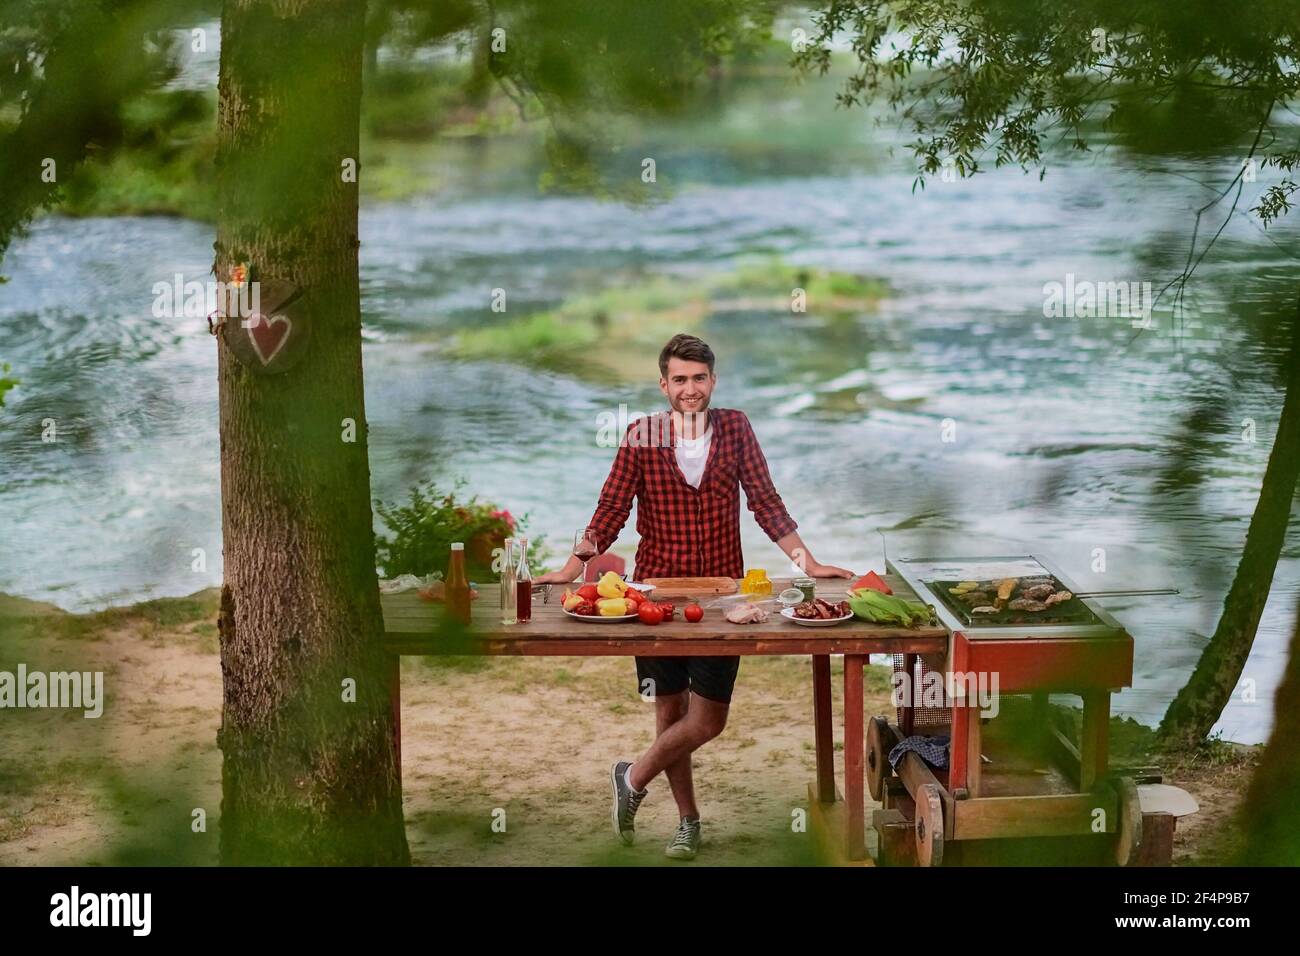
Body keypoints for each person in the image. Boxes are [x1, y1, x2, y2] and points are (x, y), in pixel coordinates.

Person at [536, 333, 853, 859]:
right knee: (668, 712)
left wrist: (809, 563)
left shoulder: (736, 429)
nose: (690, 389)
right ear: (663, 384)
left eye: (699, 378)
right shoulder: (642, 435)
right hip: (654, 599)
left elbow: (766, 503)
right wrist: (572, 567)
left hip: (724, 599)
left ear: (713, 380)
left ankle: (631, 777)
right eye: (679, 379)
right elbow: (610, 510)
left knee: (708, 719)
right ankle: (688, 822)